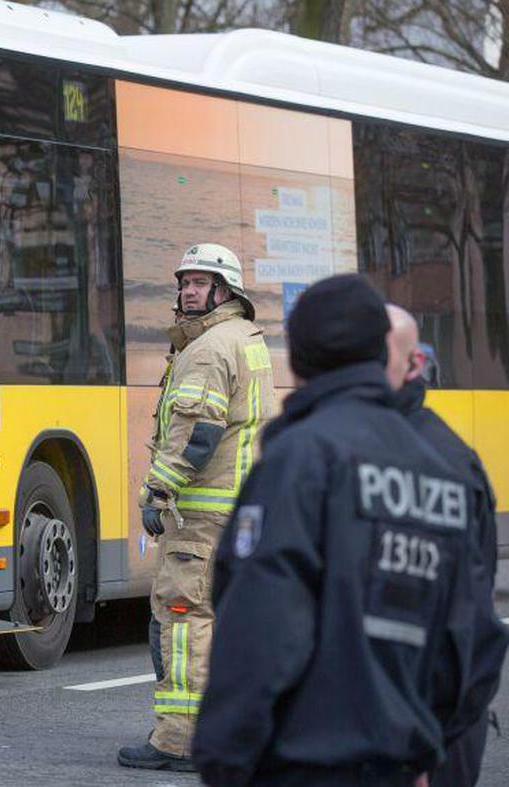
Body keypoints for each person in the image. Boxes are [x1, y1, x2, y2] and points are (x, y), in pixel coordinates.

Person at [192, 274, 506, 786]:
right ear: (383, 355)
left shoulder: (302, 458)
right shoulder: (443, 470)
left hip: (306, 767)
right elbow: (473, 643)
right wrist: (428, 748)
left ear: (299, 360)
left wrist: (224, 762)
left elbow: (261, 630)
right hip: (405, 765)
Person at [118, 243, 275, 772]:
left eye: (200, 283)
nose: (188, 291)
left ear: (224, 291)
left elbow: (196, 434)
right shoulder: (248, 339)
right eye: (184, 282)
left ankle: (179, 741)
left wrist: (158, 492)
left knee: (183, 620)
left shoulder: (207, 349)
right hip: (240, 511)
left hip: (202, 519)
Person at [385, 305, 506, 787]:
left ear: (415, 364)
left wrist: (425, 744)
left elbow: (467, 617)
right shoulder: (446, 451)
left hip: (424, 727)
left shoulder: (440, 458)